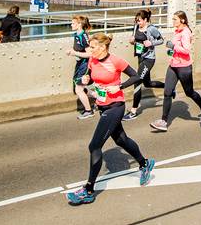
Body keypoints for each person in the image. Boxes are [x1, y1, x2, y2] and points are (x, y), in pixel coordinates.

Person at [65, 32, 155, 206]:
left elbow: (137, 76)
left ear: (102, 47)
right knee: (121, 140)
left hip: (115, 106)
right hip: (102, 105)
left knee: (94, 146)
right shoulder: (93, 59)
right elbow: (91, 77)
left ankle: (88, 190)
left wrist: (119, 86)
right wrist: (87, 79)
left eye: (92, 47)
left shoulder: (116, 61)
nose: (89, 50)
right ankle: (145, 163)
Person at [150, 11, 201, 132]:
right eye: (173, 19)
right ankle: (163, 121)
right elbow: (177, 48)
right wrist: (172, 51)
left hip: (184, 67)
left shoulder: (186, 32)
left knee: (189, 92)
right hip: (173, 66)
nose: (173, 21)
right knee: (167, 92)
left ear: (182, 20)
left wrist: (173, 47)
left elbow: (186, 51)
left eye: (175, 19)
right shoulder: (177, 31)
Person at [124, 10, 166, 121]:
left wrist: (151, 43)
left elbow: (161, 40)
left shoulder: (151, 29)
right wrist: (132, 41)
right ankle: (168, 87)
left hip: (149, 59)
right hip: (140, 58)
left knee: (137, 81)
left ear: (146, 20)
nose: (138, 23)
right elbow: (135, 40)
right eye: (137, 21)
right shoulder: (136, 27)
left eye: (140, 21)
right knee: (147, 83)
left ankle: (133, 111)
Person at [66, 15, 95, 120]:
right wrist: (72, 51)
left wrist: (75, 53)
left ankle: (88, 111)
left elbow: (90, 54)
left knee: (78, 89)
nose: (71, 24)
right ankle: (98, 97)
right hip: (79, 64)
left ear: (79, 24)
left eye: (73, 23)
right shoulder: (76, 35)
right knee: (77, 86)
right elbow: (78, 50)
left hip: (85, 65)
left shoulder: (83, 36)